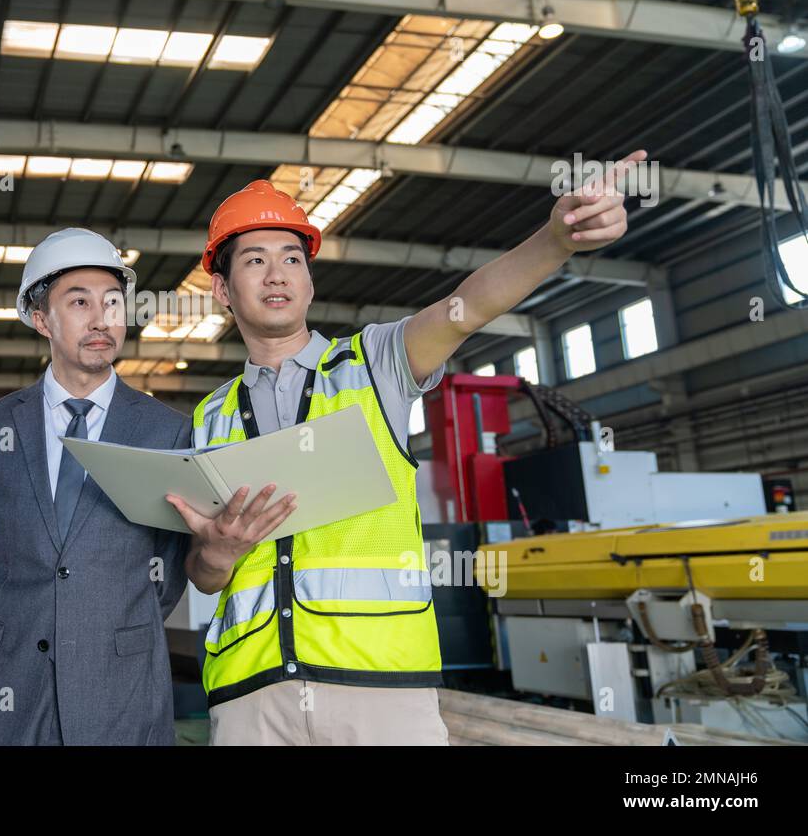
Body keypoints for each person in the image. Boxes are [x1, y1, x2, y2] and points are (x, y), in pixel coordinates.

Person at [166, 154, 642, 745]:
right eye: (255, 261)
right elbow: (205, 577)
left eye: (292, 258)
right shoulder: (208, 419)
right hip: (250, 701)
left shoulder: (376, 365)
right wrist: (213, 556)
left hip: (380, 693)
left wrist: (554, 241)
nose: (277, 275)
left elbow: (467, 308)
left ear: (310, 280)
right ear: (221, 289)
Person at [0, 228, 193, 745]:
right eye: (78, 302)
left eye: (111, 302)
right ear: (41, 319)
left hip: (119, 683)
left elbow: (166, 573)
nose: (101, 318)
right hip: (7, 677)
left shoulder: (166, 432)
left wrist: (98, 617)